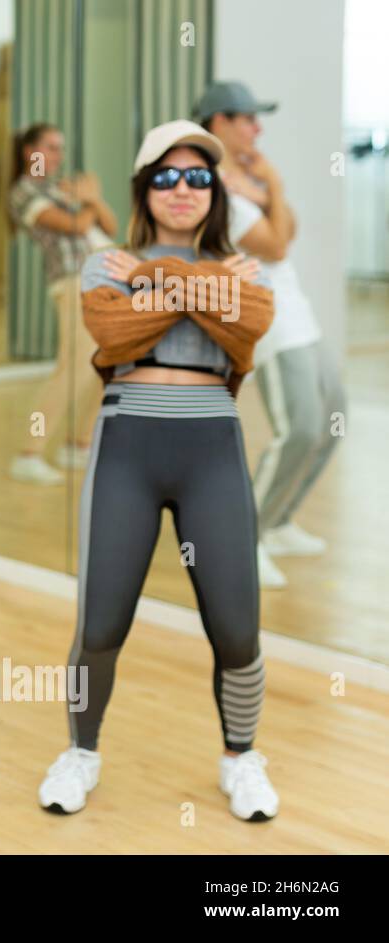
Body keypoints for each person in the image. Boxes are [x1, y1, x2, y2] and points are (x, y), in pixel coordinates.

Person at [36, 120, 280, 821]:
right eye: (167, 176)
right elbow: (113, 334)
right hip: (127, 445)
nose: (183, 189)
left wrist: (150, 285)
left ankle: (241, 757)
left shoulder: (245, 272)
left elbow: (252, 320)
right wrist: (204, 291)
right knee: (101, 623)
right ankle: (81, 752)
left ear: (215, 191)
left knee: (237, 628)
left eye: (199, 177)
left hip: (213, 449)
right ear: (146, 187)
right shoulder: (102, 264)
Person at [195, 81, 346, 589]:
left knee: (329, 419)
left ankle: (278, 521)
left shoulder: (244, 178)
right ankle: (243, 541)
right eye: (249, 119)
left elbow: (289, 228)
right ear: (219, 122)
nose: (258, 129)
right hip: (271, 321)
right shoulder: (210, 183)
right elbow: (278, 246)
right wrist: (274, 187)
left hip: (299, 313)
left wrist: (264, 189)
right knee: (299, 428)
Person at [6, 123, 119, 485]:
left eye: (61, 148)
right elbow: (74, 224)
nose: (58, 156)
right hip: (74, 282)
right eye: (51, 148)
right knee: (73, 367)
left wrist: (93, 198)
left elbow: (109, 224)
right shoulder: (24, 191)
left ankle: (79, 444)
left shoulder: (60, 187)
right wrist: (90, 197)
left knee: (108, 364)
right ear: (30, 152)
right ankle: (29, 452)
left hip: (105, 277)